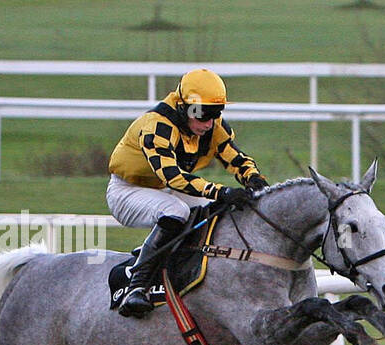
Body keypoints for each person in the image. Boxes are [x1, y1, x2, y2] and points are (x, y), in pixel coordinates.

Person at [106, 68, 269, 318]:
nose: (208, 123)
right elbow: (173, 177)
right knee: (177, 210)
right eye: (203, 114)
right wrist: (222, 190)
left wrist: (254, 179)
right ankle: (136, 285)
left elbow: (234, 158)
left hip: (163, 189)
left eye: (215, 114)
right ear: (184, 107)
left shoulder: (212, 127)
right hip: (127, 191)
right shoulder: (156, 126)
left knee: (213, 210)